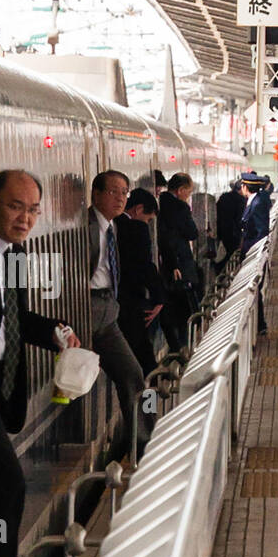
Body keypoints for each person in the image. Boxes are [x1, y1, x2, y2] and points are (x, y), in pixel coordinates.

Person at [0, 170, 81, 557]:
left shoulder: (15, 253)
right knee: (10, 482)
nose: (26, 218)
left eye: (34, 209)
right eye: (16, 206)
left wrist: (58, 332)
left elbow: (16, 316)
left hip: (4, 379)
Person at [87, 171, 150, 460]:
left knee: (134, 374)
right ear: (96, 194)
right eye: (113, 192)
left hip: (108, 310)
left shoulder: (113, 227)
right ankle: (143, 442)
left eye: (124, 192)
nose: (121, 198)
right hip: (86, 308)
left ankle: (146, 443)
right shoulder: (86, 227)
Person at [117, 188, 167, 378]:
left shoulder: (111, 224)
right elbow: (145, 265)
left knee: (127, 370)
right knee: (147, 366)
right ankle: (149, 408)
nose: (147, 223)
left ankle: (140, 407)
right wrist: (159, 298)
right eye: (148, 219)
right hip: (130, 305)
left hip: (115, 306)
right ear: (138, 210)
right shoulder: (136, 229)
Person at [157, 173, 200, 352]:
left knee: (173, 307)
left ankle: (178, 347)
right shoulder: (179, 208)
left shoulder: (162, 203)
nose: (188, 197)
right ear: (180, 190)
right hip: (179, 263)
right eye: (188, 193)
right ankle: (183, 347)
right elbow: (192, 233)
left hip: (167, 264)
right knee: (184, 308)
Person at [239, 172, 272, 334]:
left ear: (245, 187)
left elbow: (261, 231)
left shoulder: (257, 203)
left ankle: (260, 325)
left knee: (254, 289)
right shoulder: (256, 200)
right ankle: (259, 325)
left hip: (253, 254)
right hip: (251, 251)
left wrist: (256, 254)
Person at [215, 179, 245, 266]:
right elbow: (240, 219)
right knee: (232, 254)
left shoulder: (224, 197)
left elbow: (217, 211)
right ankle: (220, 269)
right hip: (234, 233)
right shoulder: (241, 200)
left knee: (226, 252)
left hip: (222, 230)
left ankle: (219, 268)